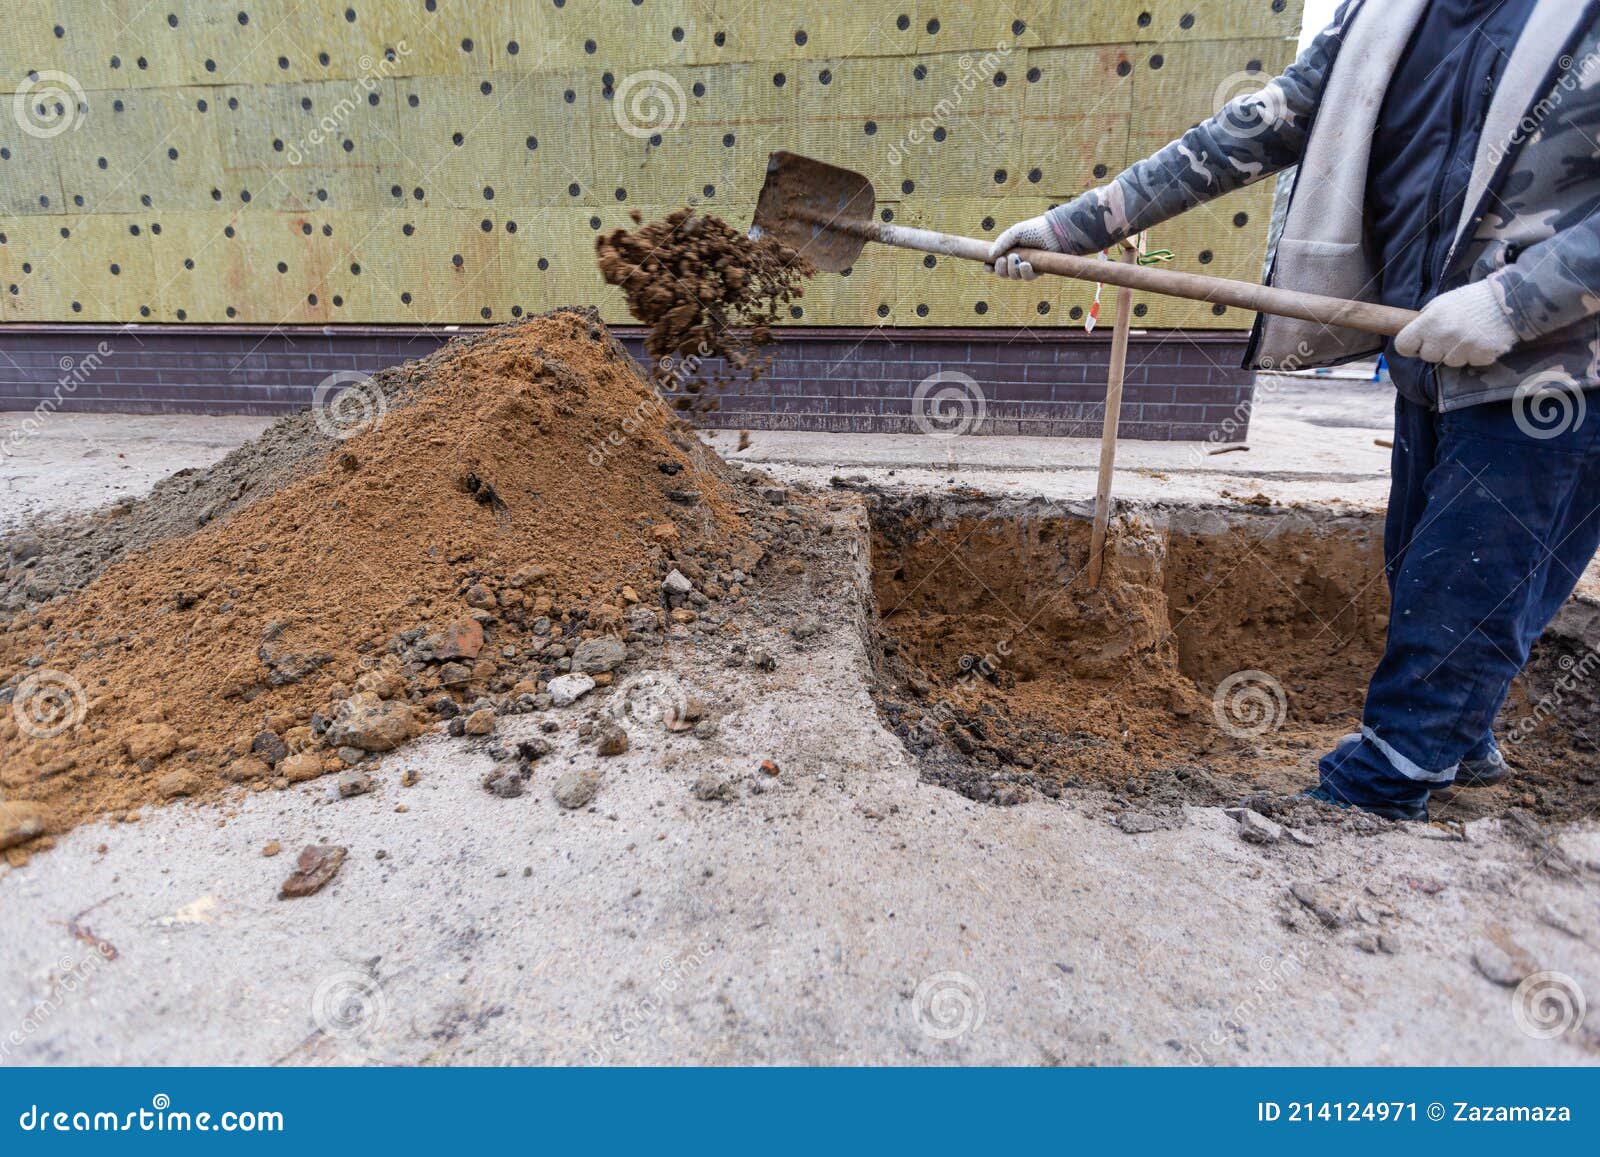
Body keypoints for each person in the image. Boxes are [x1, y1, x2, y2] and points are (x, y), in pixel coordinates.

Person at [990, 0, 1600, 819]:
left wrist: (1520, 301)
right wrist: (1079, 226)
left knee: (1461, 594)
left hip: (1559, 377)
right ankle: (1462, 736)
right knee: (1419, 570)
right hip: (1432, 354)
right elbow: (1252, 127)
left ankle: (1377, 794)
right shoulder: (1390, 15)